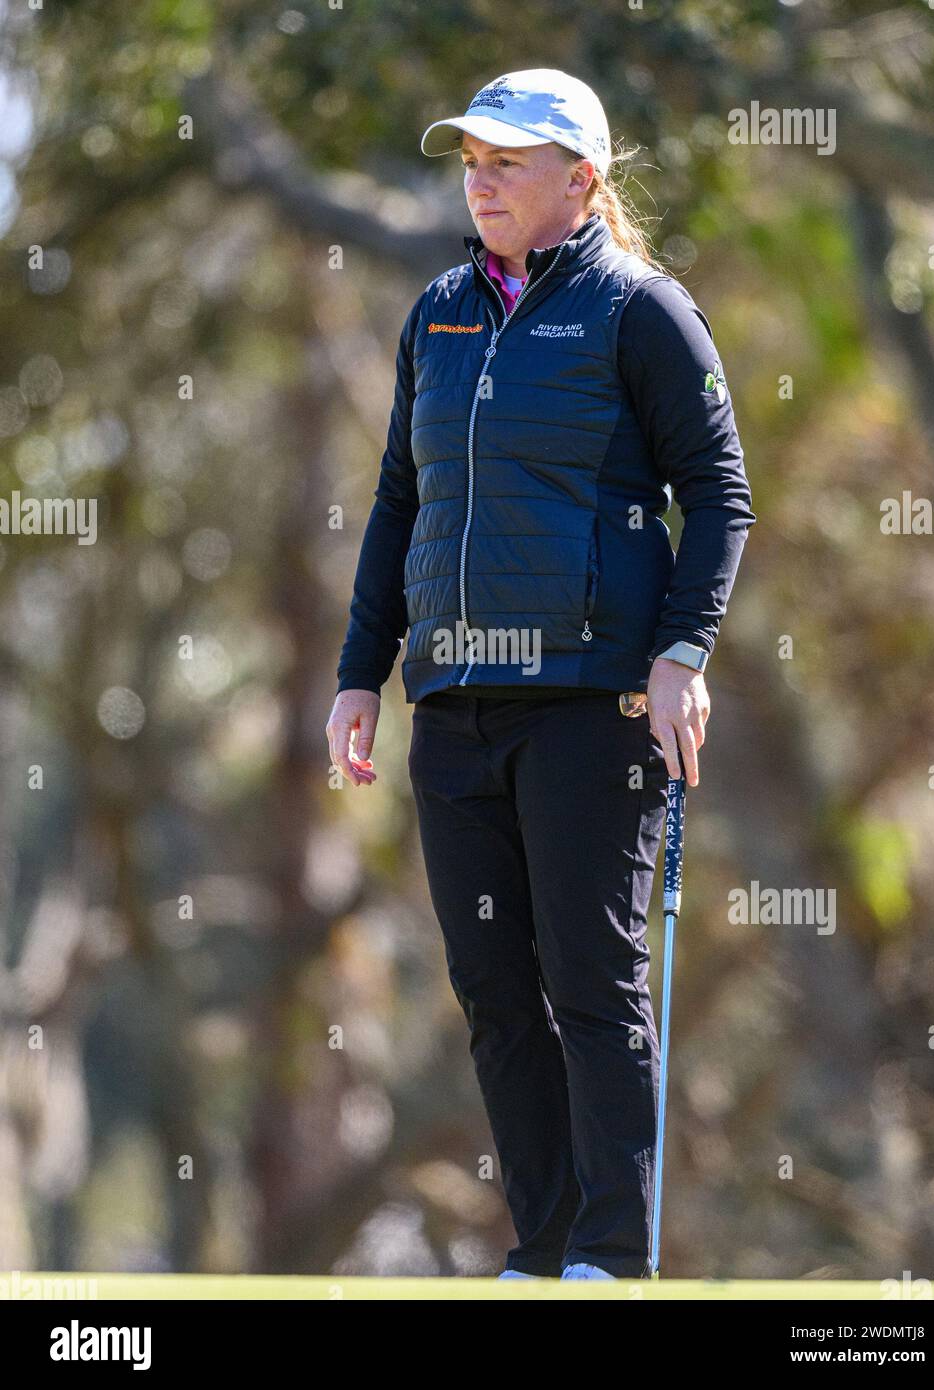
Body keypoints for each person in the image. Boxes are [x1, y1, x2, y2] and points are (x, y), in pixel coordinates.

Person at [327, 69, 755, 1279]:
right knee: (498, 996)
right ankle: (546, 1242)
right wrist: (363, 673)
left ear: (584, 177)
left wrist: (681, 653)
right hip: (454, 703)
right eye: (470, 157)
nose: (481, 176)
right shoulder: (440, 314)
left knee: (591, 983)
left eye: (508, 159)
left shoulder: (641, 311)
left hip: (592, 702)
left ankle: (613, 1257)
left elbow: (721, 494)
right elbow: (400, 502)